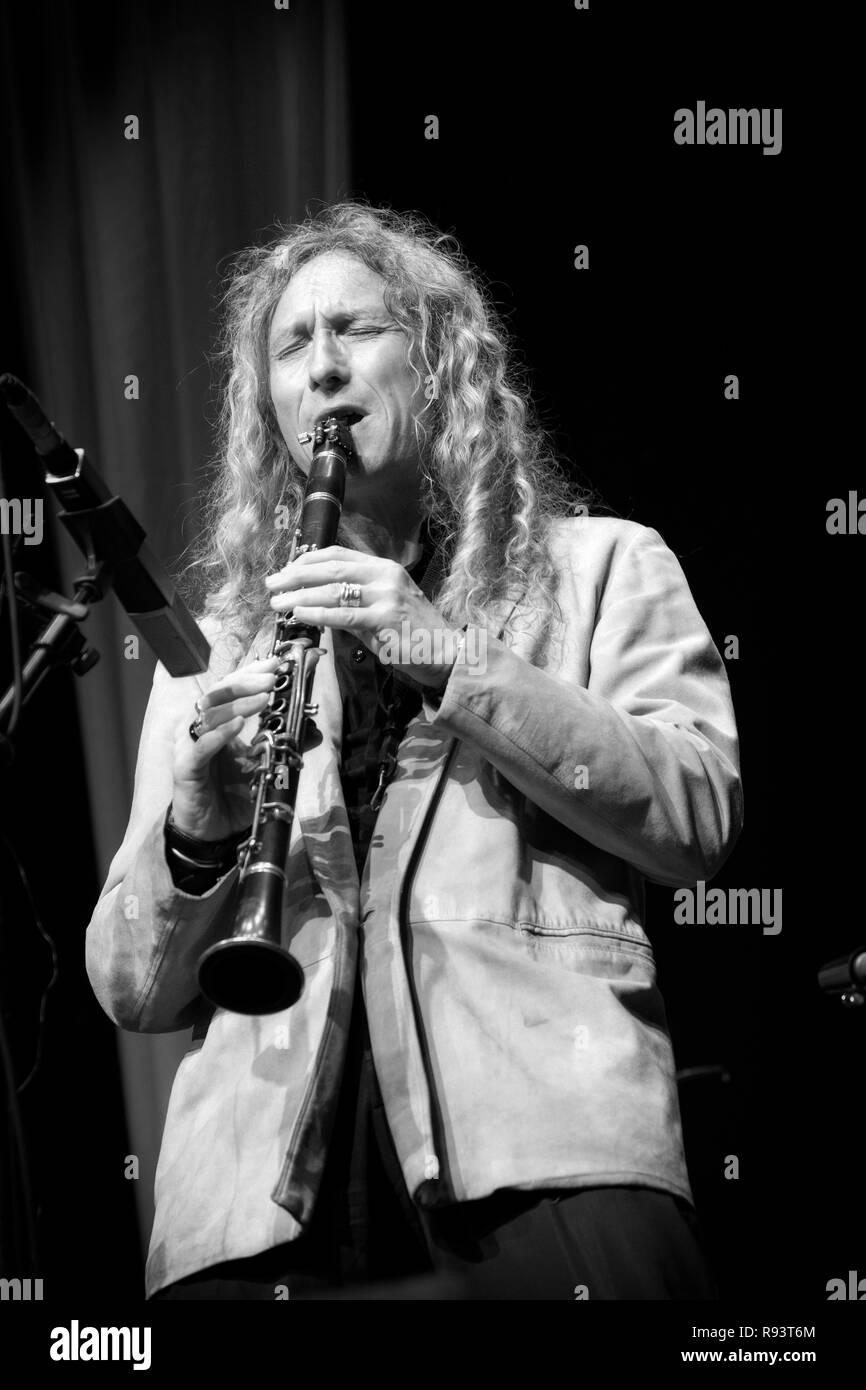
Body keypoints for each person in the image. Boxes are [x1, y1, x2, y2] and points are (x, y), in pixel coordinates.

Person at [85, 202, 742, 1300]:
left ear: (437, 364)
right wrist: (195, 827)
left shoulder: (601, 567)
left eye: (356, 330)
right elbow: (131, 989)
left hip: (544, 1167)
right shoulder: (218, 647)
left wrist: (443, 650)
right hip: (247, 1221)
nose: (323, 369)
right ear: (271, 408)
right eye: (291, 348)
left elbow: (693, 815)